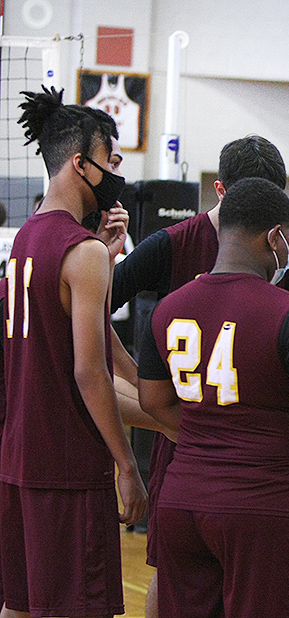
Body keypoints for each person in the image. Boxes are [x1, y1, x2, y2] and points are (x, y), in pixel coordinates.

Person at [110, 134, 289, 616]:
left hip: (262, 461)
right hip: (192, 448)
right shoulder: (171, 244)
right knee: (174, 582)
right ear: (220, 191)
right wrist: (133, 378)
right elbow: (88, 309)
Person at [0, 86, 147, 618]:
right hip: (67, 468)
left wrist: (102, 270)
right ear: (80, 164)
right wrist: (126, 463)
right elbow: (88, 373)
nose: (116, 174)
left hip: (17, 461)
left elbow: (68, 333)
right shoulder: (81, 253)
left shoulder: (27, 238)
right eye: (111, 161)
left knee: (19, 607)